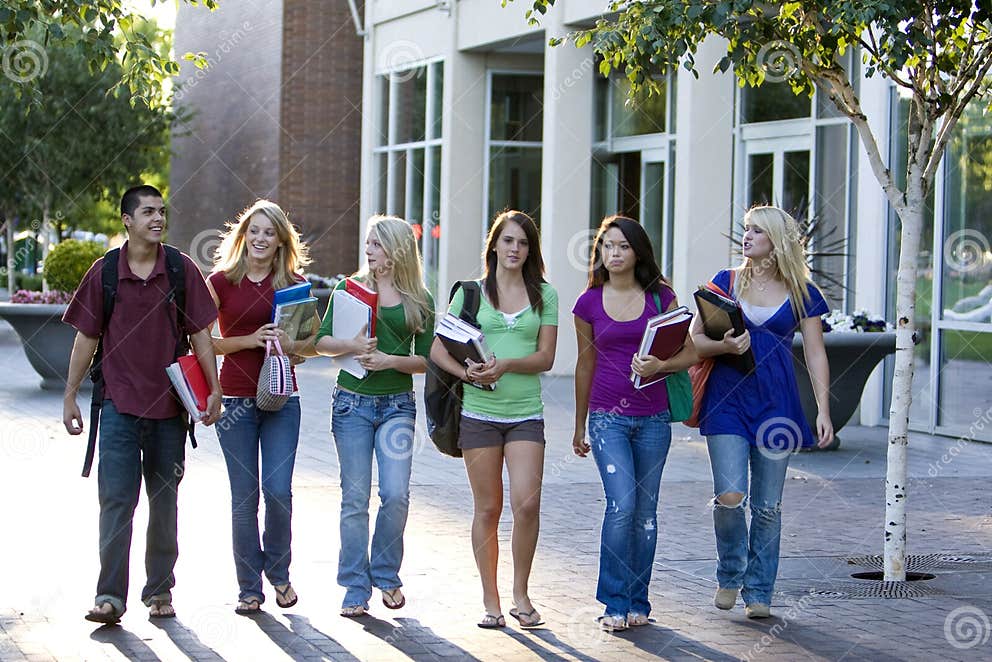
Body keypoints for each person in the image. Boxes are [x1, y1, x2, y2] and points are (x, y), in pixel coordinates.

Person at [63, 184, 222, 624]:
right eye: (148, 211)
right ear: (127, 220)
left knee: (164, 501)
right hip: (116, 406)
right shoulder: (105, 272)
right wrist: (70, 393)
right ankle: (110, 597)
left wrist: (214, 389)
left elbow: (202, 336)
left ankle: (159, 591)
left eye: (162, 211)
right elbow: (86, 338)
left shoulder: (180, 268)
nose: (158, 218)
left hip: (170, 410)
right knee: (116, 501)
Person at [689, 205, 833, 619]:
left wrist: (823, 409)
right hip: (726, 399)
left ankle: (759, 590)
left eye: (756, 231)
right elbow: (693, 340)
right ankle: (730, 572)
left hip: (777, 406)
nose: (747, 237)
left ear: (777, 241)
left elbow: (816, 352)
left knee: (767, 505)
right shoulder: (724, 283)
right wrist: (725, 347)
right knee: (731, 495)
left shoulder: (804, 293)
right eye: (746, 230)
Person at [430, 210, 558, 629]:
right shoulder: (470, 293)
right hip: (478, 415)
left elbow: (546, 358)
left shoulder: (546, 295)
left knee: (527, 503)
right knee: (488, 508)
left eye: (522, 242)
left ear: (530, 249)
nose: (514, 249)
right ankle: (491, 600)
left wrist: (505, 366)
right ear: (494, 246)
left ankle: (521, 593)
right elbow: (437, 349)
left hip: (525, 415)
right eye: (507, 241)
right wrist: (466, 372)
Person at [572, 215, 698, 632]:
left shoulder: (661, 297)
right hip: (607, 417)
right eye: (607, 245)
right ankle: (613, 600)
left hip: (654, 418)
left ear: (638, 251)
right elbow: (584, 363)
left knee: (646, 512)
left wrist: (661, 364)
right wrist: (577, 425)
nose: (614, 253)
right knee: (622, 505)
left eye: (623, 246)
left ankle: (637, 599)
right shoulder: (588, 302)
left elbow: (691, 353)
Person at [315, 215, 435, 618]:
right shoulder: (347, 290)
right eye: (367, 244)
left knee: (396, 494)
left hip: (397, 405)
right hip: (351, 404)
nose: (368, 251)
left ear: (397, 249)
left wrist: (389, 360)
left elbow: (427, 361)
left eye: (377, 244)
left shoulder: (419, 298)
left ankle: (385, 573)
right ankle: (354, 586)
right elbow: (322, 342)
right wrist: (350, 343)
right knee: (354, 498)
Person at [206, 199, 319, 615]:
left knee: (278, 491)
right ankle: (249, 587)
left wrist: (292, 345)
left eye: (268, 232)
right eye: (253, 231)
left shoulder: (294, 284)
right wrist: (249, 340)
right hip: (234, 400)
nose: (260, 238)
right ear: (243, 236)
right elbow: (202, 343)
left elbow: (310, 347)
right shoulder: (219, 283)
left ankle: (280, 572)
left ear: (279, 242)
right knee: (244, 497)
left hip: (281, 399)